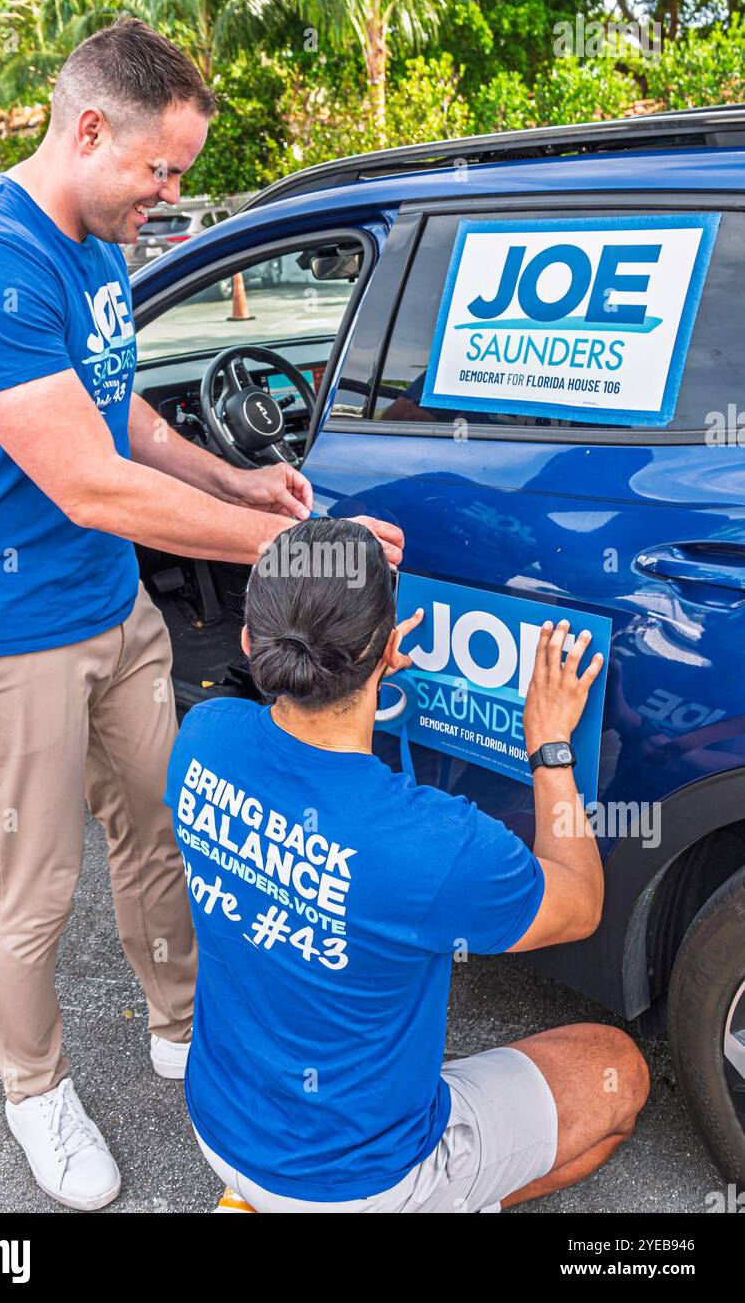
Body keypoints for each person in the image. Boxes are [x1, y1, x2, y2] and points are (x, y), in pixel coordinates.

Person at [0, 19, 402, 1212]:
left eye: (178, 172)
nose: (170, 197)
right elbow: (85, 481)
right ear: (88, 130)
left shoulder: (96, 249)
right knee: (32, 887)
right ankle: (35, 1093)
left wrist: (230, 481)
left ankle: (179, 1026)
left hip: (107, 605)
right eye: (158, 170)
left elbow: (119, 418)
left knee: (156, 828)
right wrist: (298, 542)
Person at [164, 517, 650, 1213]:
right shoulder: (432, 844)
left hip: (219, 1126)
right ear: (390, 646)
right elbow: (579, 903)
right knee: (617, 1071)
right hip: (358, 1183)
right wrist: (548, 745)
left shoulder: (202, 738)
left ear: (247, 641)